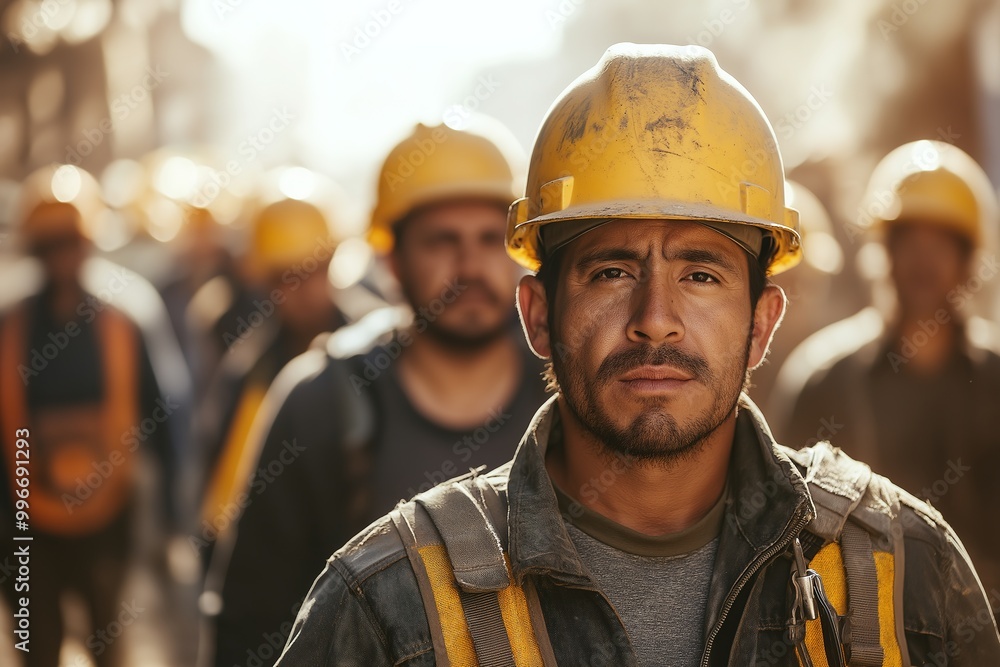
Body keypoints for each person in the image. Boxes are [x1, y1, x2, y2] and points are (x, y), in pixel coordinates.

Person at [274, 44, 1000, 666]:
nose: (656, 322)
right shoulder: (387, 605)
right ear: (538, 314)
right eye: (611, 271)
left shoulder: (908, 574)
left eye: (702, 275)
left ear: (762, 322)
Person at [206, 119, 550, 666]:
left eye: (490, 239)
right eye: (442, 241)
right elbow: (253, 620)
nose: (469, 266)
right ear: (392, 260)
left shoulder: (575, 393)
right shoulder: (319, 403)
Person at [773, 139, 1000, 616]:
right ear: (884, 251)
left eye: (941, 244)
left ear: (967, 261)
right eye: (911, 242)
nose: (924, 261)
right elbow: (775, 534)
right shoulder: (823, 381)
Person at [0, 165, 175, 667]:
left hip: (110, 523)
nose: (62, 259)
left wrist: (167, 525)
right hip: (25, 529)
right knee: (37, 647)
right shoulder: (9, 328)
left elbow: (163, 423)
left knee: (108, 645)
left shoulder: (126, 322)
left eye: (69, 243)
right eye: (49, 246)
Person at [193, 186, 348, 566]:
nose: (305, 289)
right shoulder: (247, 372)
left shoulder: (384, 346)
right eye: (287, 277)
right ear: (265, 282)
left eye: (315, 269)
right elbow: (221, 510)